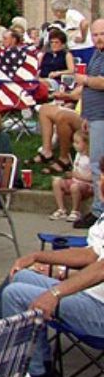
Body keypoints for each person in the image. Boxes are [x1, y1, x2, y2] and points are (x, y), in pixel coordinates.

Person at [1, 212, 104, 377]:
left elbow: (101, 269)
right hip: (91, 295)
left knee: (14, 294)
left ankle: (37, 376)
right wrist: (36, 256)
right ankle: (41, 366)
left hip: (100, 312)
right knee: (22, 276)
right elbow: (91, 255)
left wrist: (55, 293)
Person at [72, 19, 104, 228]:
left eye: (102, 34)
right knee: (96, 163)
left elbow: (101, 82)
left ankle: (99, 211)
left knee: (98, 165)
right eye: (95, 35)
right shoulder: (96, 54)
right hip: (93, 115)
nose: (99, 38)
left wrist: (83, 80)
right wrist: (85, 115)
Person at [50, 130, 94, 222]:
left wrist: (77, 175)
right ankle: (61, 209)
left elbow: (92, 178)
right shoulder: (78, 155)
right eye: (74, 142)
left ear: (86, 144)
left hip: (87, 185)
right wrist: (70, 175)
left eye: (77, 142)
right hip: (75, 180)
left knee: (74, 187)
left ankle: (75, 211)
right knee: (56, 182)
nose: (74, 144)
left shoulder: (91, 158)